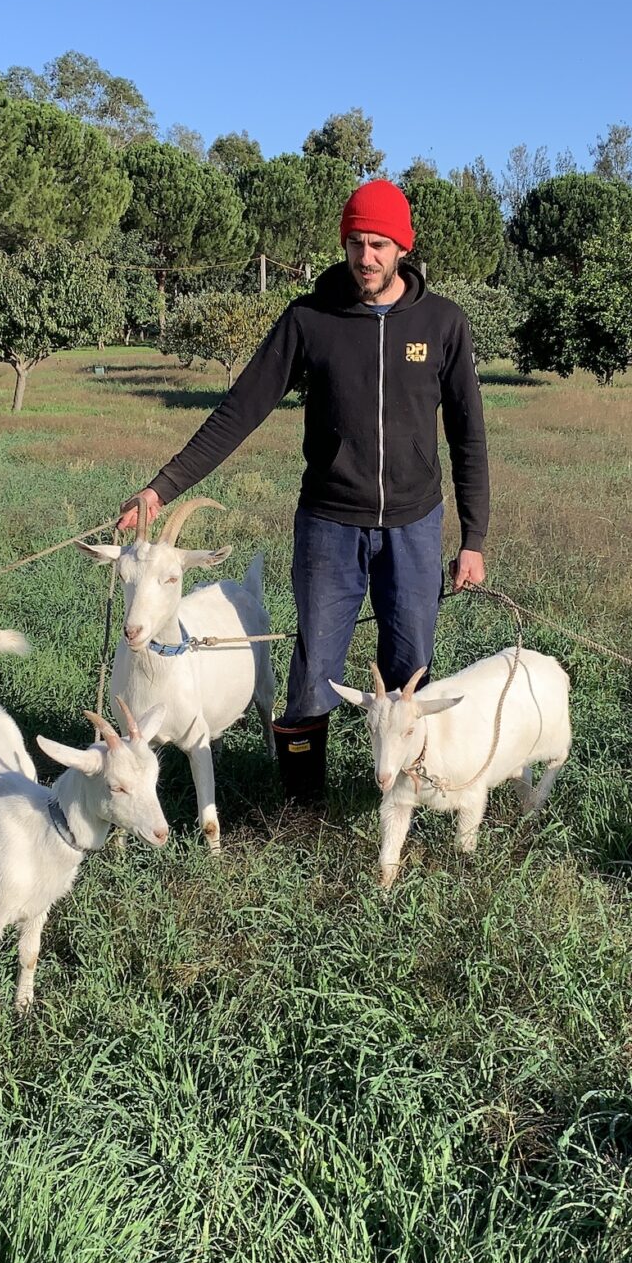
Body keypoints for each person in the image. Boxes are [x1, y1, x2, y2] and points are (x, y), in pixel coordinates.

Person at [118, 178, 489, 801]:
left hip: (415, 525)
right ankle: (301, 808)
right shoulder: (310, 319)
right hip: (329, 525)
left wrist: (473, 537)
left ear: (403, 247)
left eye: (376, 244)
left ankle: (402, 799)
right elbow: (241, 409)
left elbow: (468, 434)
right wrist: (163, 487)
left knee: (409, 674)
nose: (364, 257)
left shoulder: (442, 322)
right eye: (353, 242)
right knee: (314, 666)